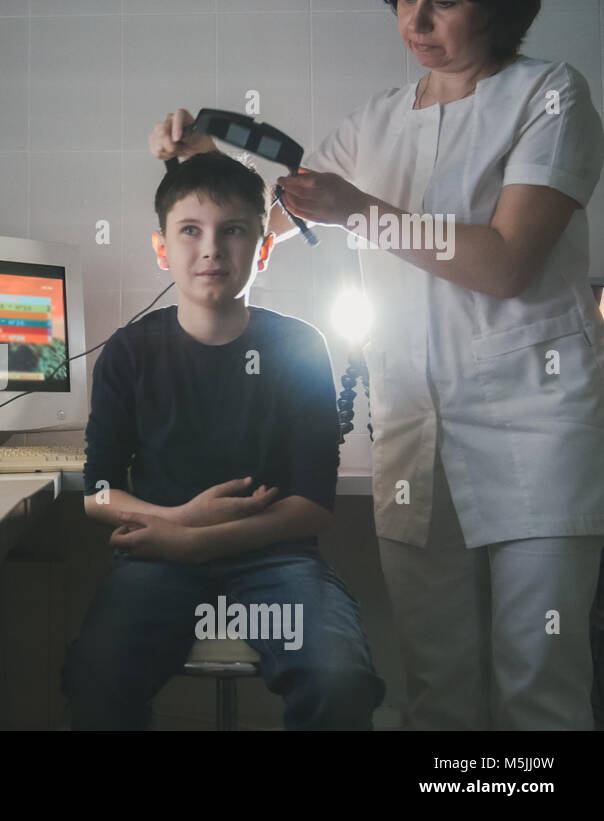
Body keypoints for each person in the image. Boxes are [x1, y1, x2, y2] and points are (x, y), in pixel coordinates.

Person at [149, 0, 604, 729]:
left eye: (444, 3)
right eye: (404, 2)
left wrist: (359, 209)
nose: (416, 23)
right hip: (412, 429)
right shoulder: (376, 123)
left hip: (535, 427)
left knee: (539, 687)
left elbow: (509, 261)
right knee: (436, 685)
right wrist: (205, 165)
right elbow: (262, 226)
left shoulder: (550, 95)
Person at [61, 151, 386, 730]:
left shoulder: (300, 348)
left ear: (262, 249)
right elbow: (98, 491)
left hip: (276, 558)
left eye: (233, 231)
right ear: (162, 248)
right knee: (97, 673)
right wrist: (181, 523)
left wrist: (195, 541)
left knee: (340, 679)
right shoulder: (129, 352)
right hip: (158, 556)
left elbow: (310, 508)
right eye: (190, 230)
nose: (211, 248)